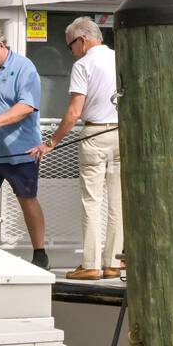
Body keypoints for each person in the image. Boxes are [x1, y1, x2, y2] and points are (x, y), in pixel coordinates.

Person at [31, 18, 122, 281]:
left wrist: (51, 143)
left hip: (95, 136)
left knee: (92, 202)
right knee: (117, 201)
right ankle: (113, 263)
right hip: (119, 135)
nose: (70, 51)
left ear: (82, 41)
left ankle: (91, 264)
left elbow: (74, 112)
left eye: (71, 45)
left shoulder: (83, 65)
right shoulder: (120, 58)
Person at [0, 23, 48, 269]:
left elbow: (26, 106)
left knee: (27, 198)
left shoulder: (25, 68)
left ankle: (40, 253)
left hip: (20, 150)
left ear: (1, 46)